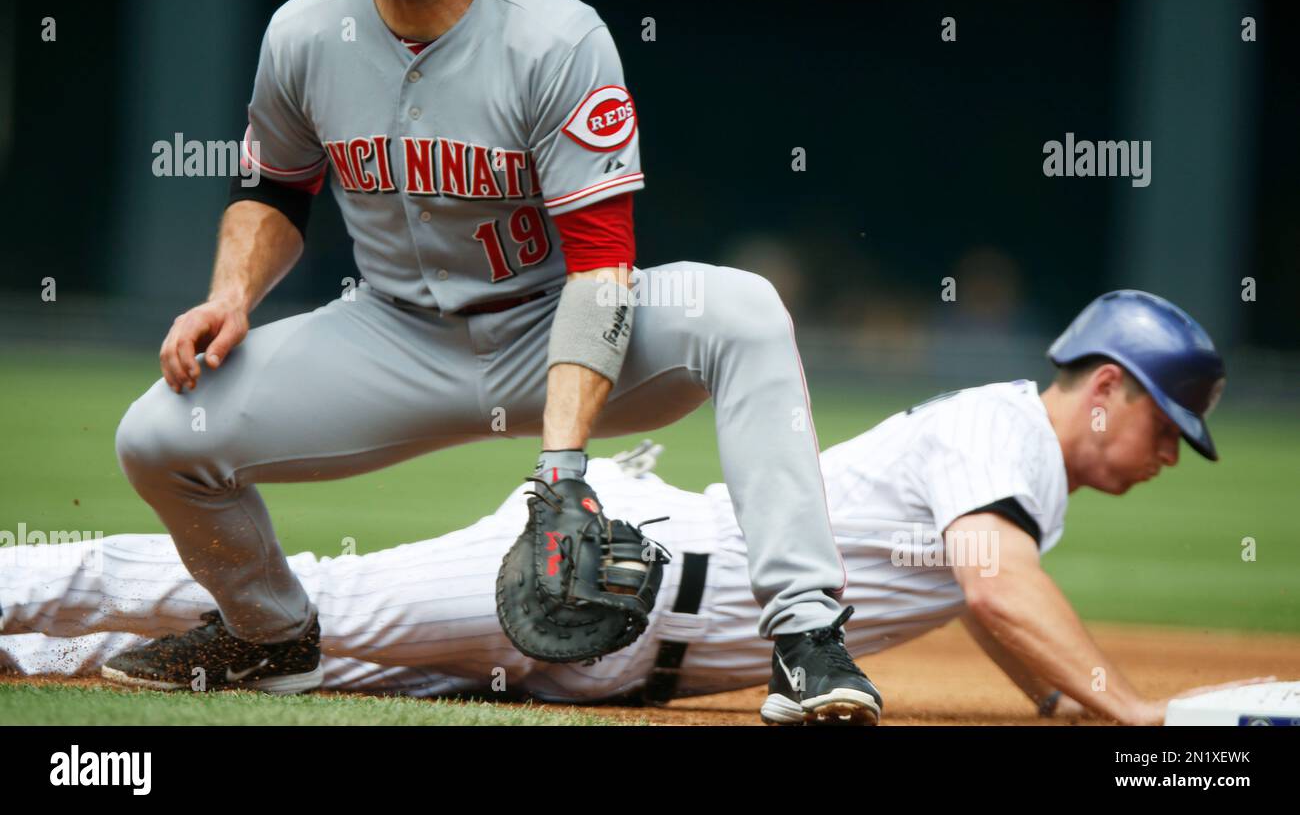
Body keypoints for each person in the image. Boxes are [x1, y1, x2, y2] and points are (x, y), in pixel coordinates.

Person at [105, 0, 875, 724]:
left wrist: (562, 472)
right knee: (158, 435)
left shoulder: (555, 36)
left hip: (555, 323)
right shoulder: (307, 32)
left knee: (742, 312)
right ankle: (270, 634)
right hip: (390, 336)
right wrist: (231, 296)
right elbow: (277, 189)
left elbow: (602, 267)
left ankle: (809, 639)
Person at [4, 292, 1231, 725]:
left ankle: (47, 649)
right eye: (1170, 429)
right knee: (318, 606)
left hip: (609, 654)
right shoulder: (1002, 430)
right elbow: (986, 578)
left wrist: (1059, 694)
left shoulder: (1017, 466)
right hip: (621, 581)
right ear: (1108, 391)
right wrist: (1128, 706)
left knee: (299, 668)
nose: (1172, 457)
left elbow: (972, 580)